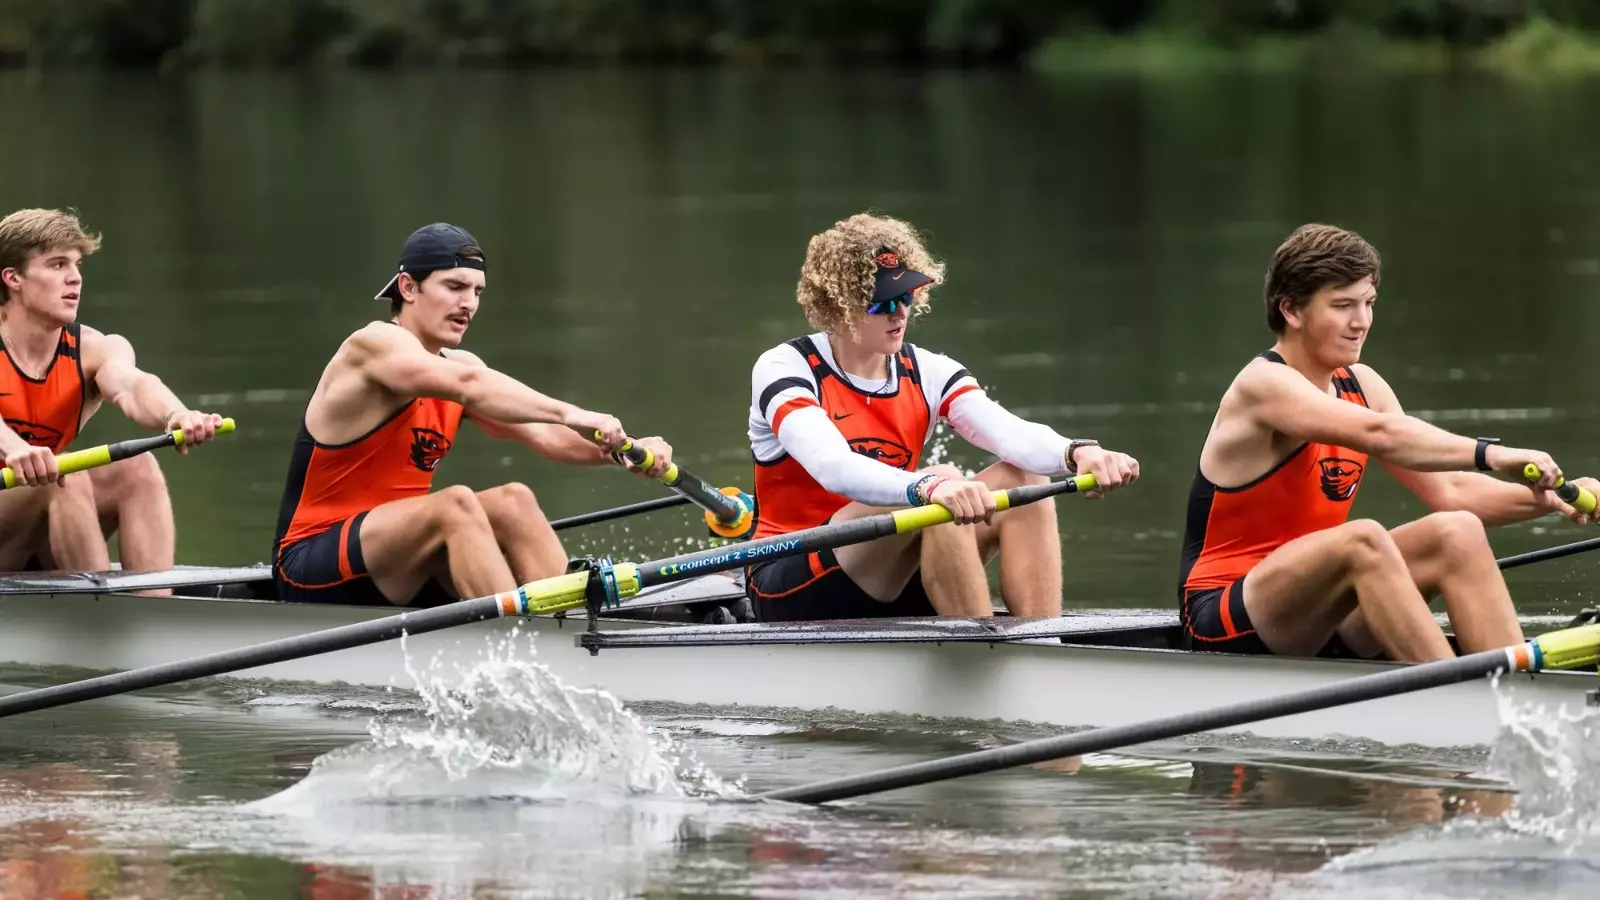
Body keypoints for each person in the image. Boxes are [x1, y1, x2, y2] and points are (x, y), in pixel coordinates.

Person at [1177, 223, 1599, 662]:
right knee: (1362, 540)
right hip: (1224, 614)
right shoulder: (1262, 385)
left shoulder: (1362, 384)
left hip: (1322, 607)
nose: (1360, 322)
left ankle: (1518, 697)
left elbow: (1452, 491)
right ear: (1291, 310)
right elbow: (1381, 434)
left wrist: (1553, 498)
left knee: (1457, 530)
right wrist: (1492, 454)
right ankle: (1461, 706)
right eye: (1342, 306)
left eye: (1368, 303)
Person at [743, 212, 1140, 622]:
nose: (899, 314)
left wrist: (1077, 453)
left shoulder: (928, 372)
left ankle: (1041, 647)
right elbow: (833, 467)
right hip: (791, 578)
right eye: (881, 302)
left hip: (893, 571)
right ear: (837, 306)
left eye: (906, 297)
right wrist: (929, 486)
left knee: (1026, 478)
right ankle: (983, 653)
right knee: (944, 485)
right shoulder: (786, 368)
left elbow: (1009, 434)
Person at [271, 222, 672, 607]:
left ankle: (566, 632)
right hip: (309, 563)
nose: (469, 304)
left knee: (514, 500)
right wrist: (577, 413)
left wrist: (627, 449)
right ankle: (520, 647)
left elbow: (547, 435)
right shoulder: (373, 345)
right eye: (455, 286)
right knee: (455, 504)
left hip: (398, 561)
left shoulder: (460, 365)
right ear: (409, 288)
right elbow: (469, 384)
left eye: (478, 291)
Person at [0, 208, 225, 575]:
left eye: (76, 266)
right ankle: (102, 617)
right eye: (57, 265)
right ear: (13, 278)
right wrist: (15, 448)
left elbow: (133, 385)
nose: (74, 279)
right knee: (63, 473)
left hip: (38, 520)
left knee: (136, 467)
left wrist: (177, 415)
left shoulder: (94, 349)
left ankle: (151, 609)